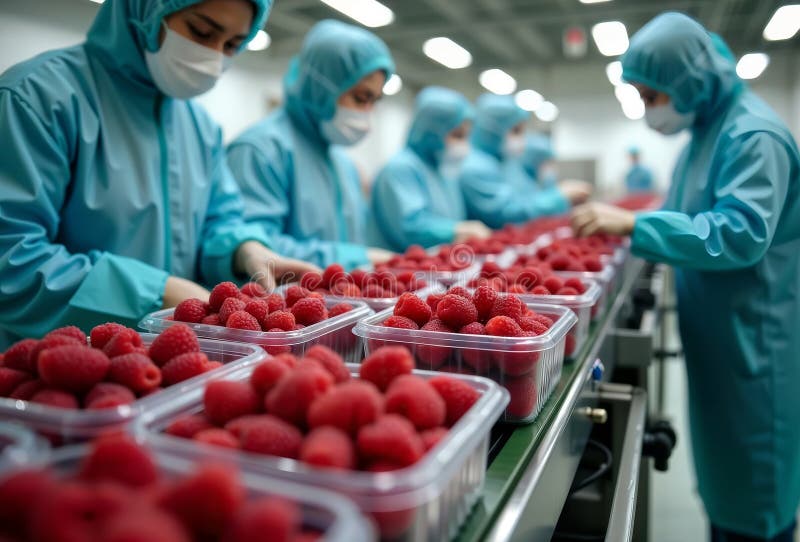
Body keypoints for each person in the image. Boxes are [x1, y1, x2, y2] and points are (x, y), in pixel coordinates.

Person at [570, 12, 800, 542]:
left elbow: (739, 234)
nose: (650, 111)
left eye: (652, 96)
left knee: (754, 501)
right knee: (725, 485)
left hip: (754, 352)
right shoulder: (705, 135)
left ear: (688, 81)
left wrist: (634, 222)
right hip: (721, 341)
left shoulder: (752, 135)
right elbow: (684, 215)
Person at [0, 0, 319, 348]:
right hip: (51, 370)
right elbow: (11, 257)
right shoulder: (37, 98)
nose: (213, 55)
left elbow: (218, 221)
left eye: (230, 45)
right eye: (201, 31)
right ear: (147, 9)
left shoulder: (199, 127)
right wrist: (156, 293)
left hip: (162, 363)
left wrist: (243, 250)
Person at [226, 19, 395, 270]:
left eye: (375, 101)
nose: (368, 112)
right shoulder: (260, 150)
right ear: (322, 87)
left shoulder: (342, 163)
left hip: (344, 305)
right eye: (361, 98)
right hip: (283, 305)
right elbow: (253, 248)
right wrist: (353, 258)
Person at [369, 86, 491, 251]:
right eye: (457, 134)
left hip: (443, 265)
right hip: (404, 270)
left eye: (466, 136)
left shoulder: (443, 169)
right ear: (433, 130)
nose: (464, 143)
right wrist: (456, 230)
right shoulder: (400, 168)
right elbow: (410, 228)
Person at [459, 93, 591, 229]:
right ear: (492, 129)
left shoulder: (507, 163)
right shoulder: (473, 168)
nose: (522, 138)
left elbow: (526, 198)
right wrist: (558, 197)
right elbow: (506, 215)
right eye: (516, 130)